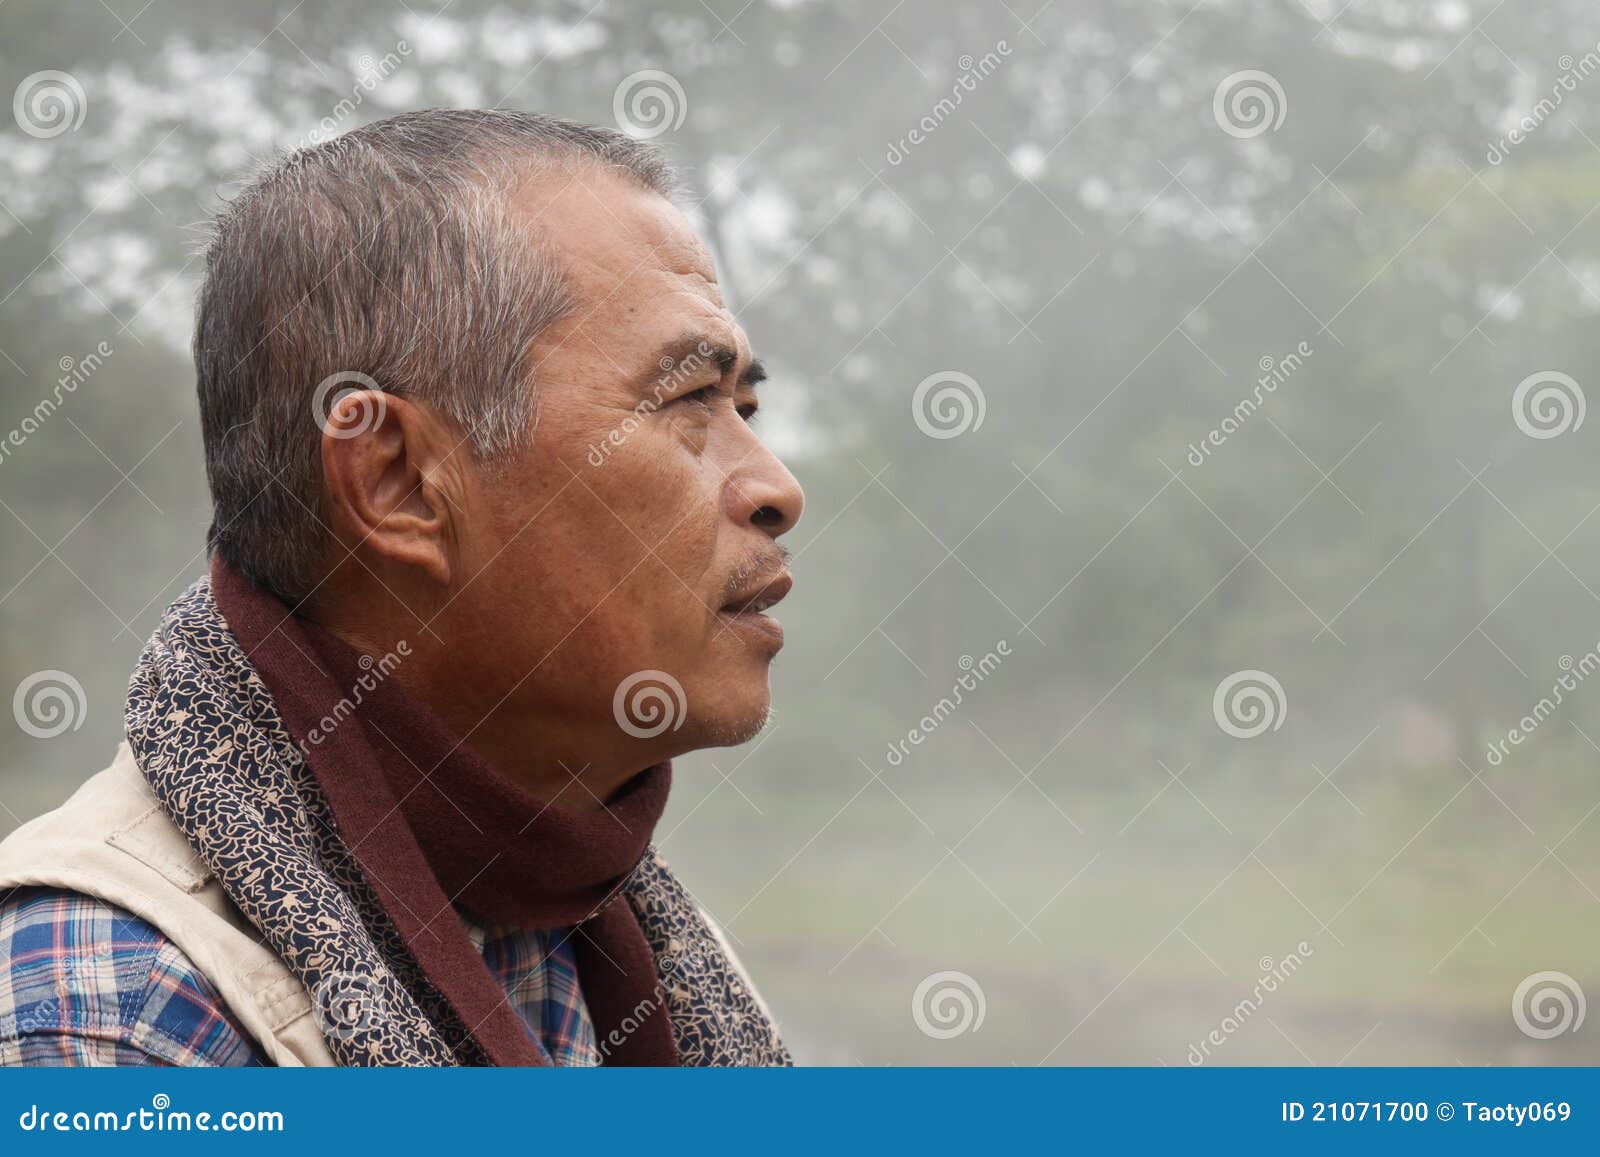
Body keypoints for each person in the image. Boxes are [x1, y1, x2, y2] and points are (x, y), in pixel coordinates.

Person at [0, 109, 803, 1067]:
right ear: (397, 482)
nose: (777, 489)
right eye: (688, 403)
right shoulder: (115, 1017)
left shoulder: (646, 954)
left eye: (745, 406)